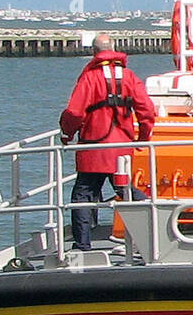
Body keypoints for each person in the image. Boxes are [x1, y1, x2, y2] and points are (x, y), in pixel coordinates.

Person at [59, 32, 156, 251]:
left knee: (83, 194)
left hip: (94, 149)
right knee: (125, 190)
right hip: (122, 149)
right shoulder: (129, 77)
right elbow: (147, 111)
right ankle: (152, 230)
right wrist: (142, 137)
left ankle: (82, 245)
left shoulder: (89, 78)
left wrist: (67, 134)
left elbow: (74, 112)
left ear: (94, 52)